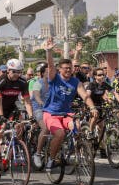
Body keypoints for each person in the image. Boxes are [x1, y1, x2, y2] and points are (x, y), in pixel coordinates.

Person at [40, 38, 99, 172]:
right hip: (51, 113)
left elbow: (85, 96)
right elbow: (50, 65)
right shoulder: (54, 78)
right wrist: (48, 51)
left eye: (70, 68)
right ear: (59, 70)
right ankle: (51, 158)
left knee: (77, 127)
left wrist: (92, 107)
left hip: (66, 113)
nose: (68, 70)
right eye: (65, 68)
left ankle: (70, 151)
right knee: (59, 134)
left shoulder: (75, 81)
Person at [0, 59, 34, 167]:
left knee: (18, 129)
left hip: (11, 108)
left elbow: (27, 101)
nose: (16, 74)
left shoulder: (22, 82)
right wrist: (0, 116)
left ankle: (7, 156)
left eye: (19, 72)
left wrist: (31, 116)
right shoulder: (1, 81)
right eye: (14, 72)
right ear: (8, 70)